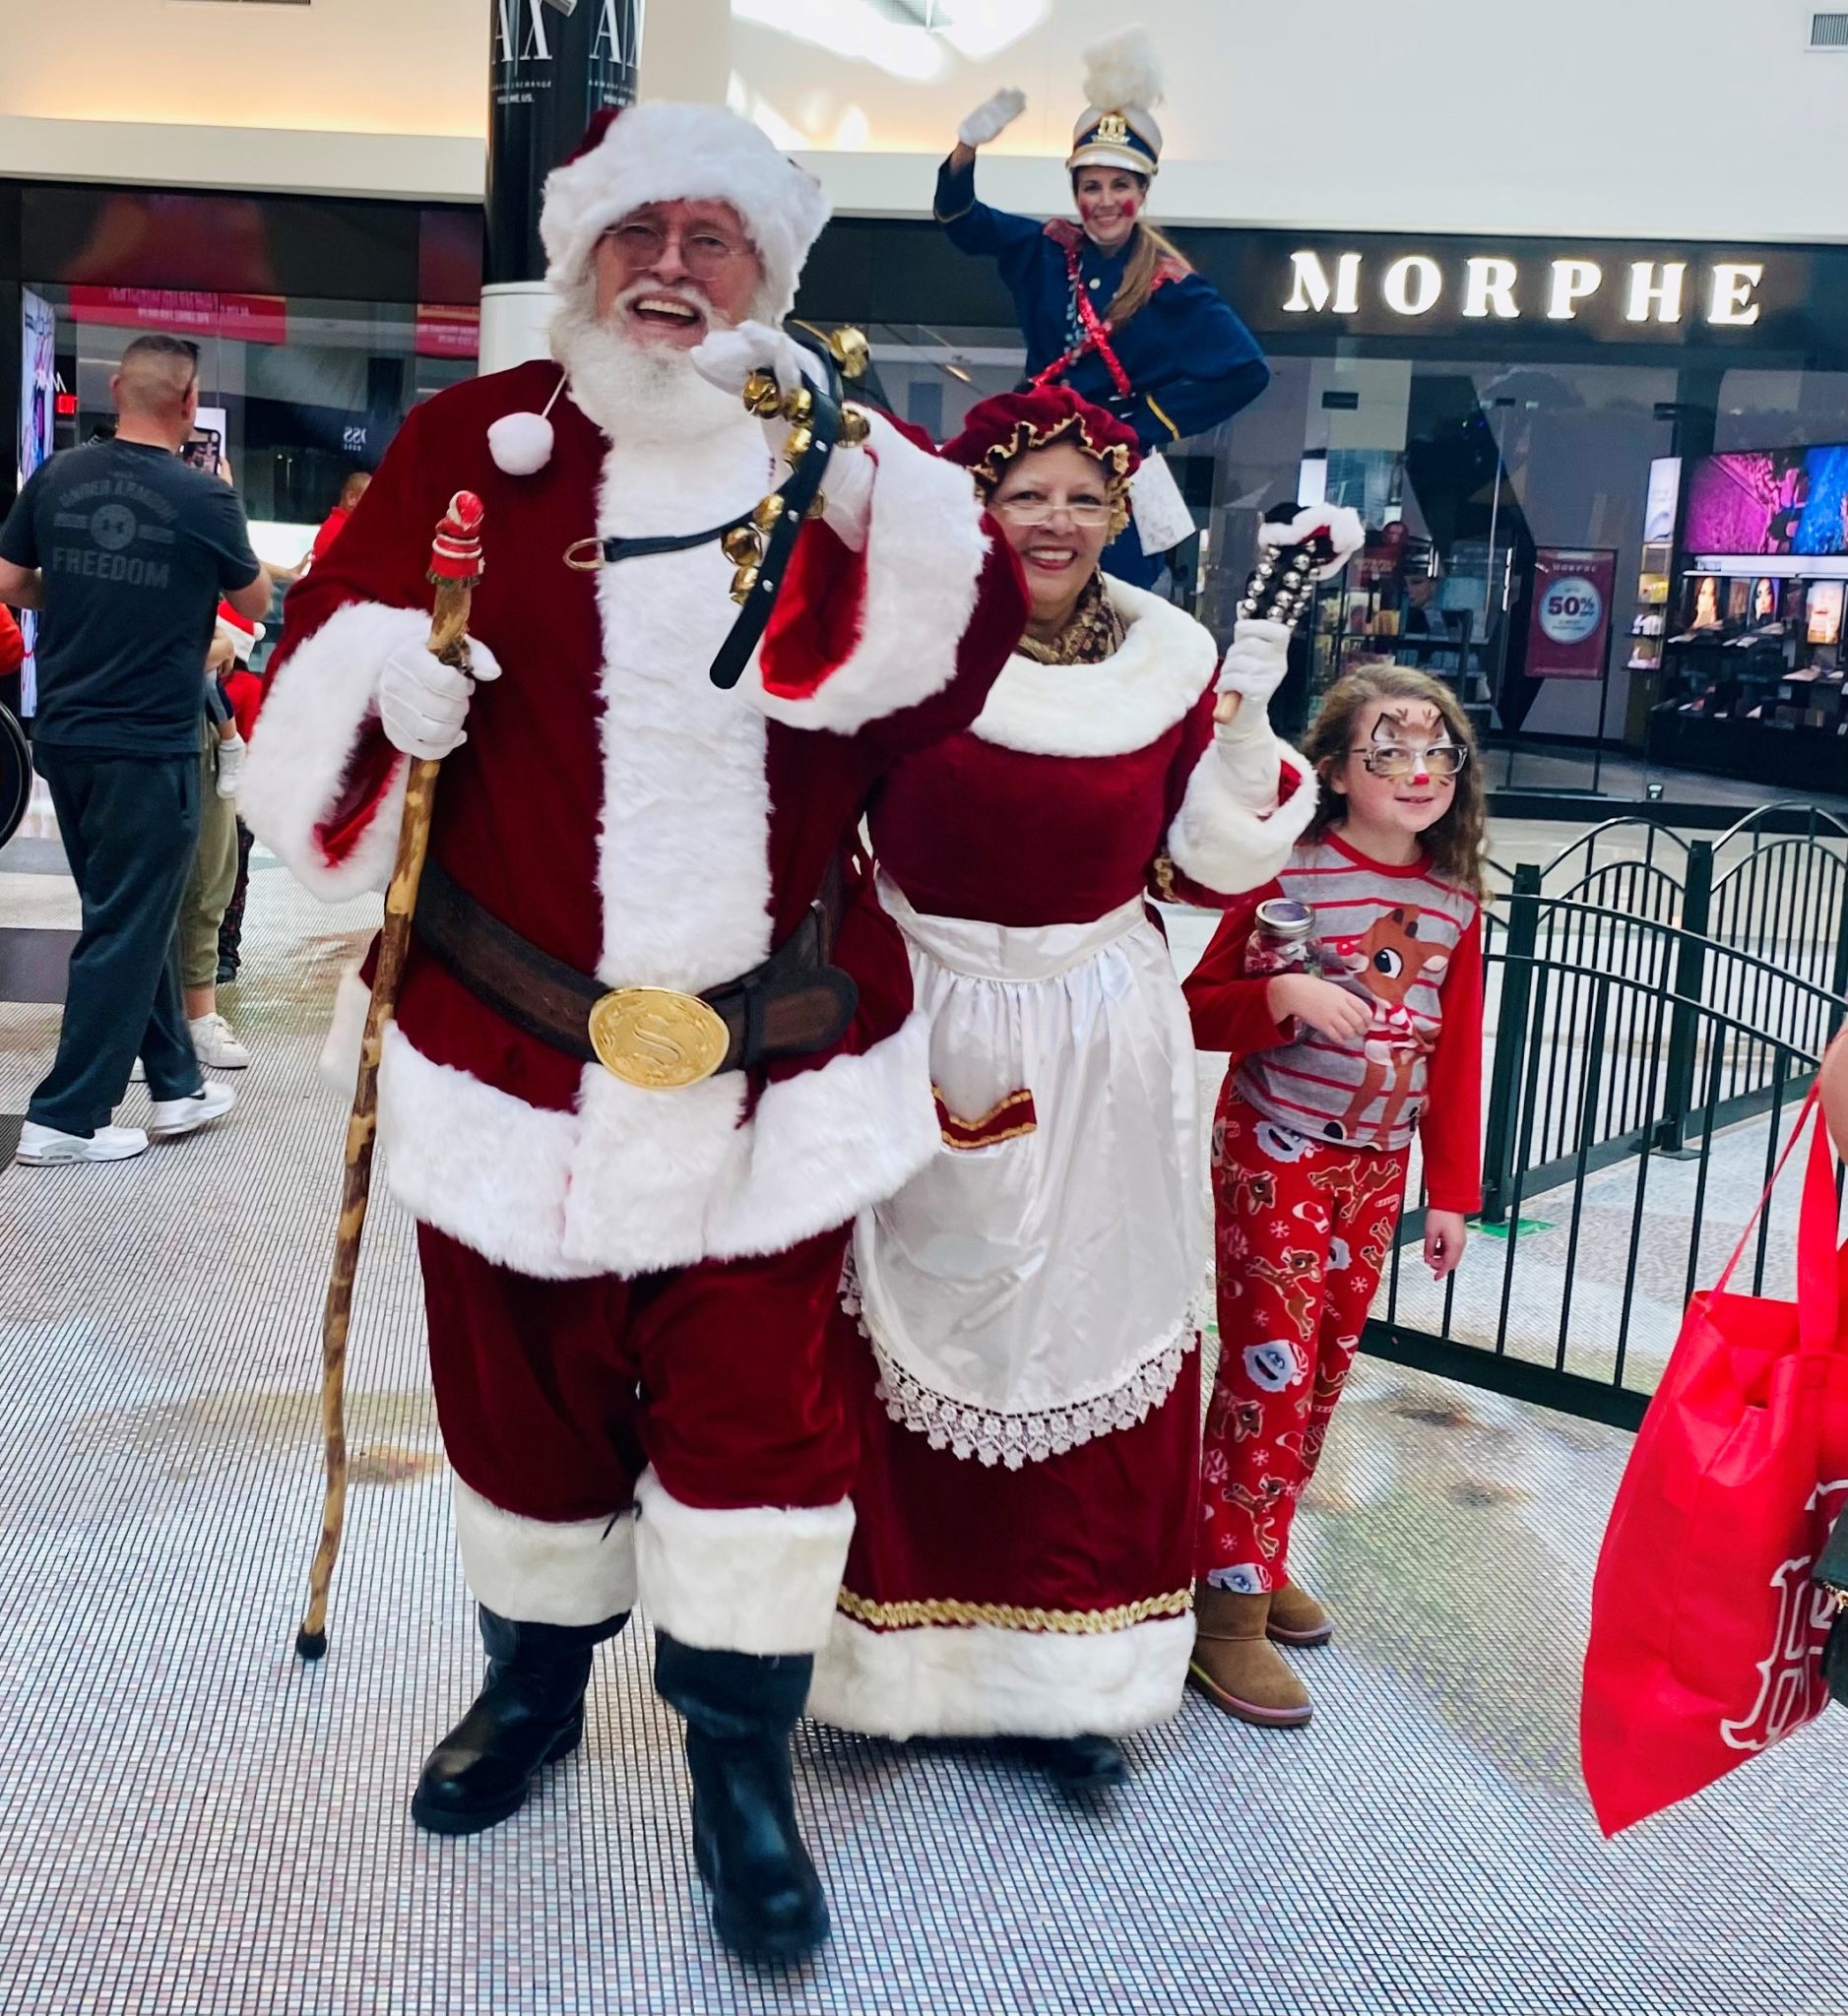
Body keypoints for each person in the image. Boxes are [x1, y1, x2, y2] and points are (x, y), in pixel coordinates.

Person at [240, 101, 1024, 1964]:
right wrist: (381, 677)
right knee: (519, 1409)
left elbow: (953, 660)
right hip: (501, 1051)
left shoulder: (839, 467)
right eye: (636, 232)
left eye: (716, 238)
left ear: (768, 276)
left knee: (759, 1439)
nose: (671, 266)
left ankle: (734, 1767)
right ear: (582, 257)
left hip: (768, 1071)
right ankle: (529, 1689)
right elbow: (308, 676)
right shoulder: (464, 447)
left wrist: (897, 502)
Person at [807, 388, 1347, 1790]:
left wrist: (1242, 733)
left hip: (1102, 1035)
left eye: (1081, 498)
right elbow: (808, 811)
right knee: (909, 1324)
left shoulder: (1169, 665)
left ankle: (1072, 1674)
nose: (1053, 520)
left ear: (1119, 515)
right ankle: (894, 1659)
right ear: (978, 503)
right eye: (1025, 492)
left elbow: (1218, 870)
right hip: (921, 1016)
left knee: (1093, 1328)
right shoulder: (904, 636)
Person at [1182, 662, 1486, 1727]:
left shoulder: (1453, 898)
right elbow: (1196, 1004)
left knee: (1320, 1374)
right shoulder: (1289, 872)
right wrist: (1282, 991)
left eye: (1435, 748)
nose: (1416, 767)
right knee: (1268, 1369)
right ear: (1332, 770)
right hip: (1277, 1145)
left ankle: (1244, 1556)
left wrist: (1449, 1189)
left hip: (1377, 1163)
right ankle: (1226, 1611)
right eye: (1386, 749)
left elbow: (1453, 1057)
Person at [0, 333, 264, 1166]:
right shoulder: (201, 497)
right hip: (149, 742)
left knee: (127, 913)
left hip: (66, 737)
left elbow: (10, 582)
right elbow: (254, 599)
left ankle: (178, 1085)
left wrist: (74, 591)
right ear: (189, 405)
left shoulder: (57, 476)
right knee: (123, 925)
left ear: (117, 388)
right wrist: (221, 506)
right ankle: (65, 1116)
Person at [937, 27, 1269, 586]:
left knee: (1108, 601)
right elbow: (962, 221)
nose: (1105, 201)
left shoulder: (1173, 285)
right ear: (1075, 192)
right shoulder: (1045, 249)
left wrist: (1142, 424)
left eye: (1120, 184)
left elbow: (1246, 371)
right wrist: (965, 148)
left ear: (1143, 191)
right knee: (1006, 586)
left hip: (1112, 473)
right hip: (1035, 451)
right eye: (1090, 185)